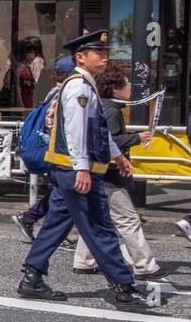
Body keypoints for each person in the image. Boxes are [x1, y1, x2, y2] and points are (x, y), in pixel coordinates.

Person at [17, 30, 155, 310]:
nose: (104, 58)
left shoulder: (85, 85)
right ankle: (123, 286)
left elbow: (99, 129)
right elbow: (76, 130)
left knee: (56, 224)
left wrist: (117, 156)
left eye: (105, 53)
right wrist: (81, 168)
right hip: (76, 170)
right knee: (99, 225)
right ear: (81, 57)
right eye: (98, 53)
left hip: (70, 170)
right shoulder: (79, 87)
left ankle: (32, 277)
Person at [69, 67, 165, 279]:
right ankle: (145, 265)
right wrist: (136, 138)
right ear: (115, 88)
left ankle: (84, 261)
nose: (130, 88)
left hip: (99, 171)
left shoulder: (103, 106)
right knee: (128, 219)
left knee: (96, 217)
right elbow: (110, 142)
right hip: (110, 173)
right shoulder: (111, 110)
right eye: (126, 84)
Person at [12, 55, 79, 252]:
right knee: (66, 193)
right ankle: (48, 232)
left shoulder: (54, 91)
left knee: (61, 193)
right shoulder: (62, 94)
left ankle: (29, 219)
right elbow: (52, 123)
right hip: (59, 153)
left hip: (56, 152)